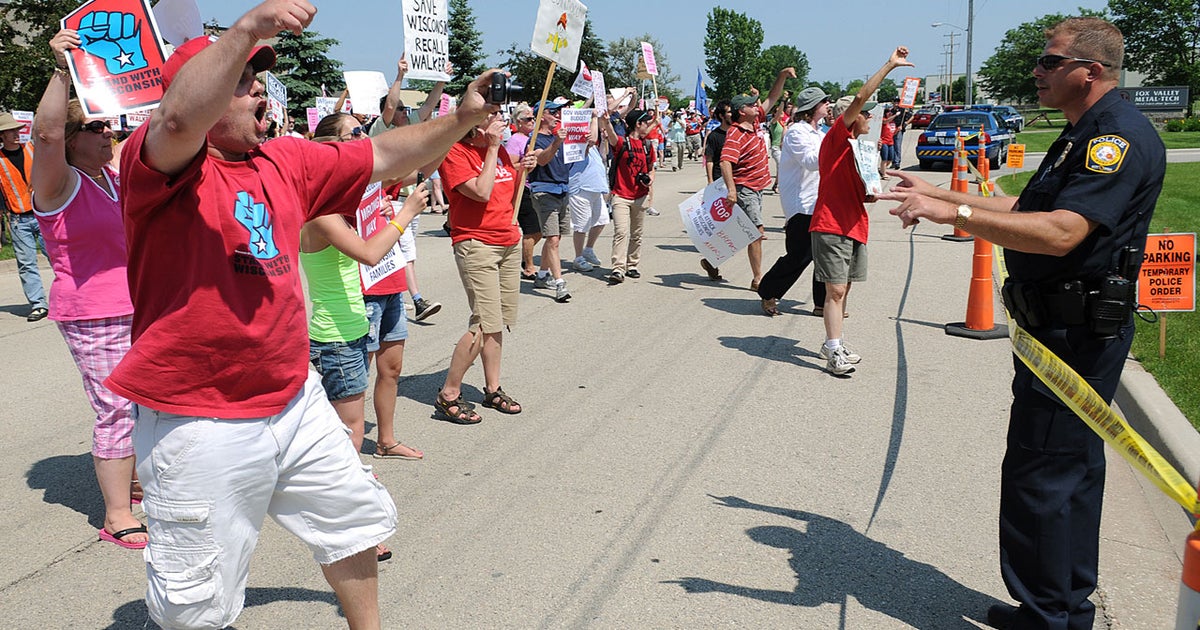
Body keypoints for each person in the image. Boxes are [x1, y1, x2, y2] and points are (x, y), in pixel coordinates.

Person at [105, 1, 501, 627]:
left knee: (352, 523)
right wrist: (244, 31)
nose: (260, 92)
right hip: (199, 417)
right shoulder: (156, 165)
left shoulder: (284, 160)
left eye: (259, 80)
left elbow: (381, 154)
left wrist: (462, 118)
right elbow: (178, 118)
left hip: (295, 397)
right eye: (242, 82)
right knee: (193, 602)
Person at [880, 18, 1163, 629]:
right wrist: (938, 196)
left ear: (1090, 71)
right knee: (1063, 472)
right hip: (1055, 326)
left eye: (1050, 61)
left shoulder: (1115, 138)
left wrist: (952, 213)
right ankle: (1058, 608)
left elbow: (1061, 232)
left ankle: (1049, 618)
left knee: (1046, 476)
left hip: (1074, 332)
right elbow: (1026, 207)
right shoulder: (1081, 132)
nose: (1037, 70)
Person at [30, 29, 144, 550]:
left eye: (108, 126)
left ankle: (135, 476)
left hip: (138, 304)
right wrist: (61, 70)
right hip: (93, 312)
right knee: (116, 407)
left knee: (146, 401)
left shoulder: (112, 178)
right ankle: (117, 514)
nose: (107, 134)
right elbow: (45, 134)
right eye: (95, 127)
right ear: (74, 138)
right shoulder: (59, 183)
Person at [810, 46, 912, 376]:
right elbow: (859, 97)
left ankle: (834, 342)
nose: (870, 118)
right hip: (830, 225)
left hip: (854, 225)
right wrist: (890, 66)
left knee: (845, 289)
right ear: (853, 117)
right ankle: (833, 348)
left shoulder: (859, 149)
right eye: (867, 114)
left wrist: (876, 193)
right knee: (835, 290)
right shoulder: (837, 137)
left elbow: (862, 193)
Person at [435, 111, 532, 423]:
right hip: (477, 243)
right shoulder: (455, 152)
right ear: (474, 123)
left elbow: (507, 189)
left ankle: (492, 388)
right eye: (493, 115)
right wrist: (492, 148)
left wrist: (522, 169)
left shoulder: (498, 149)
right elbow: (481, 191)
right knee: (482, 321)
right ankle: (449, 393)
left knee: (497, 320)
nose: (500, 119)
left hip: (507, 239)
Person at [370, 53, 446, 322]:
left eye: (406, 109)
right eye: (402, 109)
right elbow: (391, 104)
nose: (406, 112)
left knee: (405, 252)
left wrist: (441, 79)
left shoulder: (411, 124)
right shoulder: (382, 127)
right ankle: (415, 298)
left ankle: (397, 295)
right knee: (403, 250)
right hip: (389, 198)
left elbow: (429, 105)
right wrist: (400, 75)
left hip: (410, 197)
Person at [756, 87, 830, 317]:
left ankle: (822, 303)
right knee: (800, 255)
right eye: (824, 102)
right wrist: (835, 149)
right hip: (802, 204)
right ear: (812, 107)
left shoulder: (820, 133)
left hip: (820, 201)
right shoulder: (797, 132)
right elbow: (811, 161)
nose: (828, 105)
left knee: (823, 255)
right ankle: (768, 290)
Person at [0, 111, 49, 321]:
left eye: (16, 129)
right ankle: (39, 304)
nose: (15, 133)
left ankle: (71, 296)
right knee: (26, 264)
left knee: (58, 257)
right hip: (18, 220)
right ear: (2, 135)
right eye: (10, 131)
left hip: (43, 214)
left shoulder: (32, 149)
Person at [597, 108, 656, 285]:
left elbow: (651, 168)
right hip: (621, 195)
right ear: (638, 124)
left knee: (637, 233)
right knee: (621, 232)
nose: (648, 126)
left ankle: (632, 265)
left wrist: (650, 179)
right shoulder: (622, 142)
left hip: (640, 195)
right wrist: (606, 121)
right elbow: (612, 135)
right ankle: (618, 268)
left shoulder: (647, 145)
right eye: (646, 123)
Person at [526, 100, 572, 302]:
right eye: (553, 111)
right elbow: (541, 160)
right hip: (545, 191)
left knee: (555, 238)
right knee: (552, 239)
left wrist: (586, 145)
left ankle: (543, 275)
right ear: (541, 115)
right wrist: (557, 143)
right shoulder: (534, 139)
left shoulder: (556, 138)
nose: (557, 115)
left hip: (562, 190)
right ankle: (559, 283)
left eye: (558, 111)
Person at [503, 103, 542, 280]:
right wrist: (526, 163)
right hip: (521, 188)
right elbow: (510, 166)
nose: (532, 121)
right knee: (531, 229)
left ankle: (525, 259)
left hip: (533, 186)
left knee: (539, 230)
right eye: (528, 119)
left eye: (533, 118)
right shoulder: (515, 140)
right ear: (518, 122)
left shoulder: (531, 138)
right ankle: (529, 267)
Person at [568, 114, 609, 272]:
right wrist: (594, 117)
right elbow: (591, 140)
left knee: (602, 220)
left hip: (595, 188)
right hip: (581, 188)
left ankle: (588, 249)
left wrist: (604, 141)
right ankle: (578, 257)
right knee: (582, 225)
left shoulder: (592, 146)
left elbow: (603, 156)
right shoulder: (576, 142)